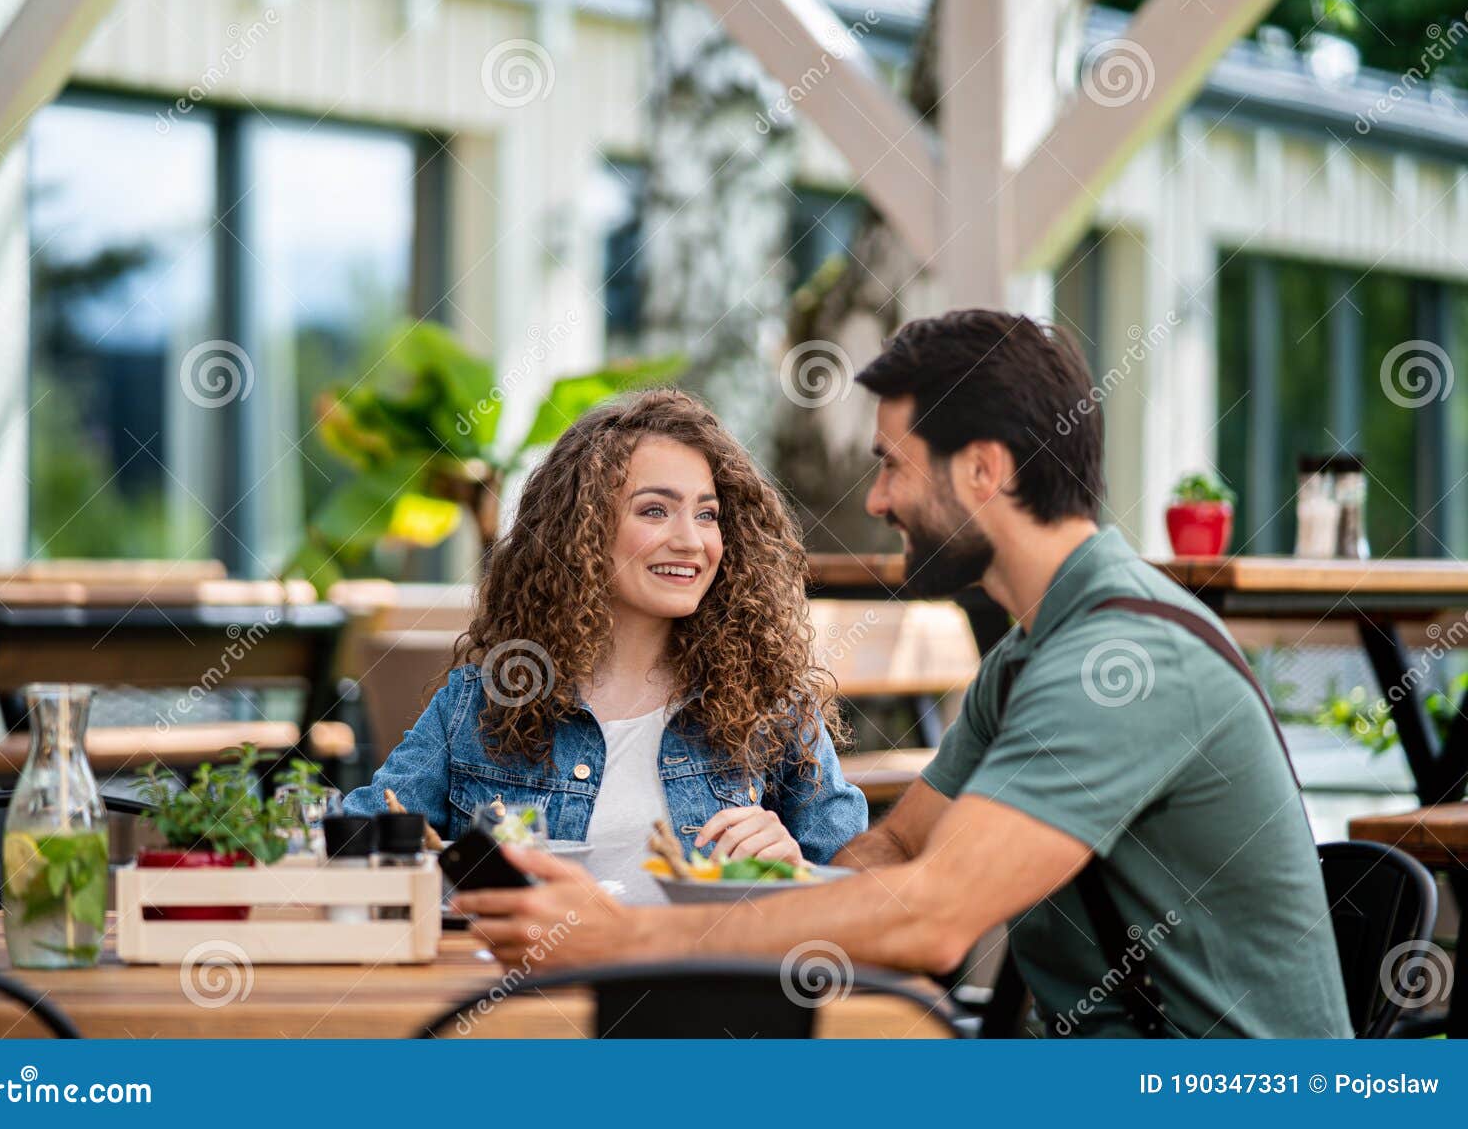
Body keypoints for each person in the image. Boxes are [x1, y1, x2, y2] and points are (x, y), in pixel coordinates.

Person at [456, 310, 1354, 1038]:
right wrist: (770, 875)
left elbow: (932, 918)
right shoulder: (1031, 655)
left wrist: (635, 937)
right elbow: (892, 854)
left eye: (892, 464)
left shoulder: (1121, 663)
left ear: (983, 471)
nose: (877, 499)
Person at [343, 390, 867, 901]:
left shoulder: (773, 705)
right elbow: (353, 848)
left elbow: (866, 885)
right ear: (582, 532)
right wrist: (447, 876)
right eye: (655, 511)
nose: (691, 540)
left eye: (707, 515)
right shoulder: (476, 706)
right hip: (530, 963)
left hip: (703, 961)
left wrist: (798, 870)